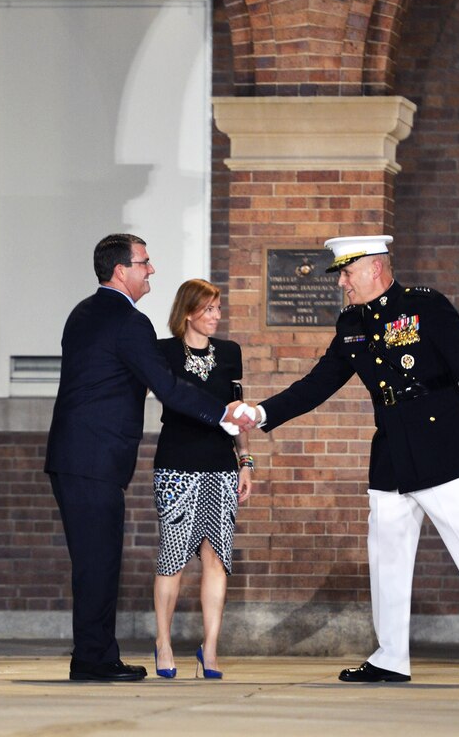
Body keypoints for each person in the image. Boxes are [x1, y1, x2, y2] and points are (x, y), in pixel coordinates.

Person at [248, 235, 459, 684]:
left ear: (375, 268)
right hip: (392, 454)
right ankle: (390, 656)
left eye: (347, 272)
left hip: (442, 446)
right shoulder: (351, 324)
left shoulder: (425, 307)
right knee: (387, 559)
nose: (342, 283)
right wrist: (264, 412)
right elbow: (319, 383)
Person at [44, 233, 254, 683]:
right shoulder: (128, 323)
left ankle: (93, 655)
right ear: (121, 270)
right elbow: (169, 388)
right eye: (144, 262)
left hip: (74, 454)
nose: (151, 269)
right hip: (94, 457)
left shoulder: (82, 313)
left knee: (93, 561)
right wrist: (223, 413)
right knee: (99, 561)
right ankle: (95, 660)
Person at [151, 279, 253, 681]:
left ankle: (209, 649)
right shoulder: (163, 352)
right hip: (176, 463)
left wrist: (246, 461)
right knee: (172, 557)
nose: (216, 316)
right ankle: (163, 642)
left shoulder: (230, 353)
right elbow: (172, 398)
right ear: (189, 311)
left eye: (218, 309)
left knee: (217, 559)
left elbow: (238, 411)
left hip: (220, 466)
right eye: (208, 309)